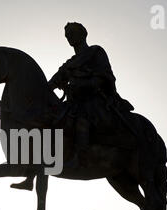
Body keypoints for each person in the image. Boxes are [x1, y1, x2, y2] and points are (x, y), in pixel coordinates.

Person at [11, 22, 134, 191]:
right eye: (67, 35)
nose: (69, 37)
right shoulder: (71, 63)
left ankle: (81, 157)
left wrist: (79, 85)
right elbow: (53, 82)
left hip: (93, 101)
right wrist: (37, 93)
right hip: (73, 103)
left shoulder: (95, 52)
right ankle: (31, 174)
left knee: (82, 120)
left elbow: (104, 78)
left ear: (83, 34)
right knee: (46, 123)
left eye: (71, 33)